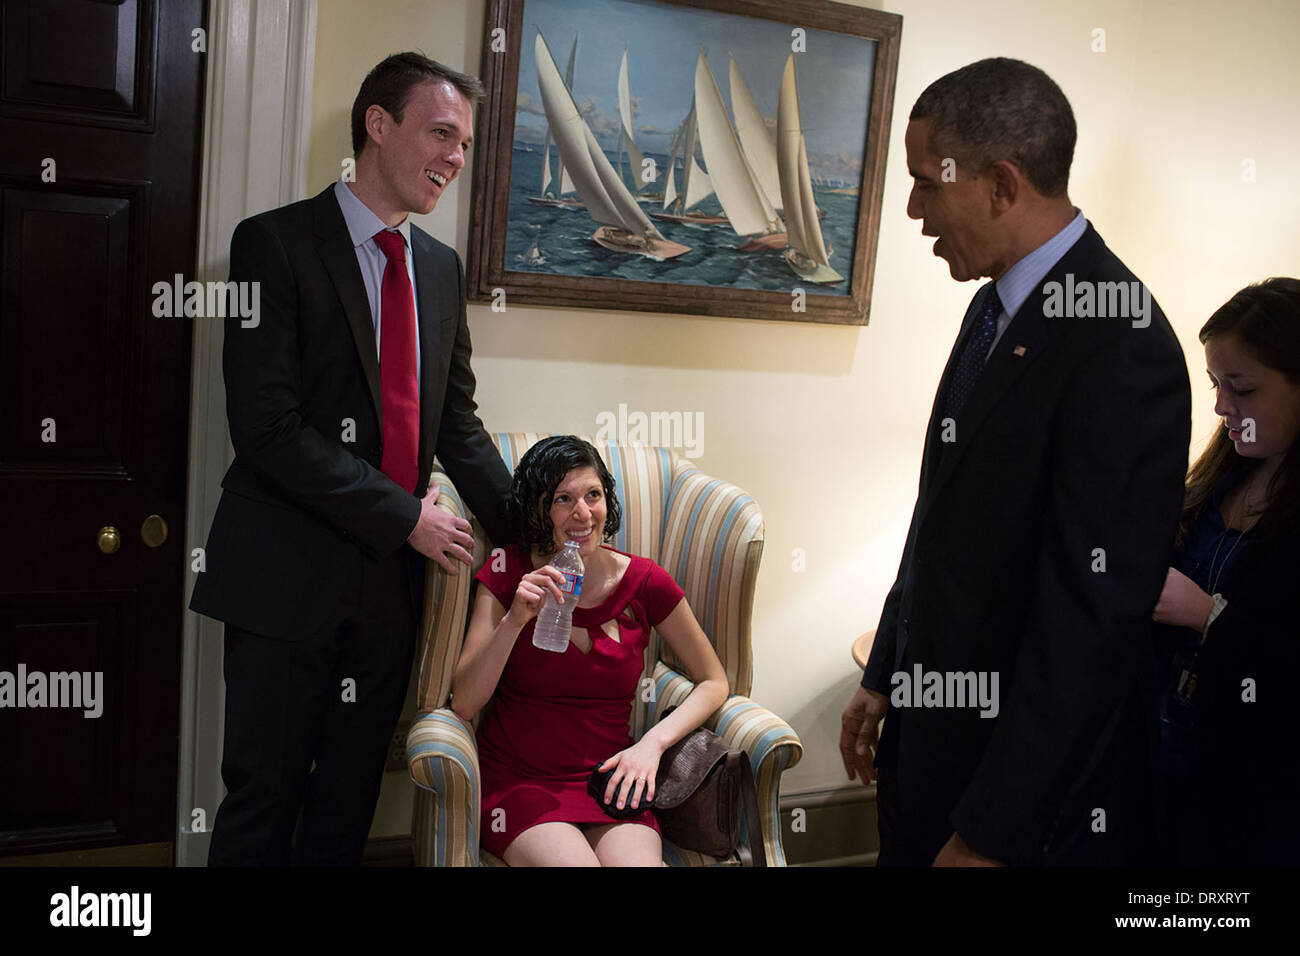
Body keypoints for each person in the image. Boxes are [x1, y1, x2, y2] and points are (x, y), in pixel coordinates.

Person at [839, 58, 1192, 866]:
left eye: (925, 183)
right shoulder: (991, 305)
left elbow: (1090, 621)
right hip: (930, 752)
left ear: (1002, 184)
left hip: (1015, 806)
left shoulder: (1122, 343)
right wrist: (887, 669)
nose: (913, 210)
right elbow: (939, 516)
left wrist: (991, 833)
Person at [190, 53, 513, 865]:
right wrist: (405, 515)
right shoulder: (272, 244)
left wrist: (538, 533)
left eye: (464, 144)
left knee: (347, 804)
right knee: (263, 804)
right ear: (378, 124)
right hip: (282, 577)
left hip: (389, 592)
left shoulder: (439, 268)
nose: (456, 157)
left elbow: (458, 428)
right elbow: (266, 428)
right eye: (441, 133)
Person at [451, 436, 729, 866]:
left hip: (613, 777)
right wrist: (514, 621)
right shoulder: (508, 571)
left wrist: (651, 746)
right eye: (563, 499)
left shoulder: (645, 581)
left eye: (593, 495)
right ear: (537, 509)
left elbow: (714, 680)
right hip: (519, 782)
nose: (583, 513)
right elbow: (465, 703)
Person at [1152, 277, 1300, 865]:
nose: (1221, 408)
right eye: (1216, 384)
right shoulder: (1224, 473)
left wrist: (1208, 617)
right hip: (1166, 762)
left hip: (1256, 800)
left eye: (1242, 388)